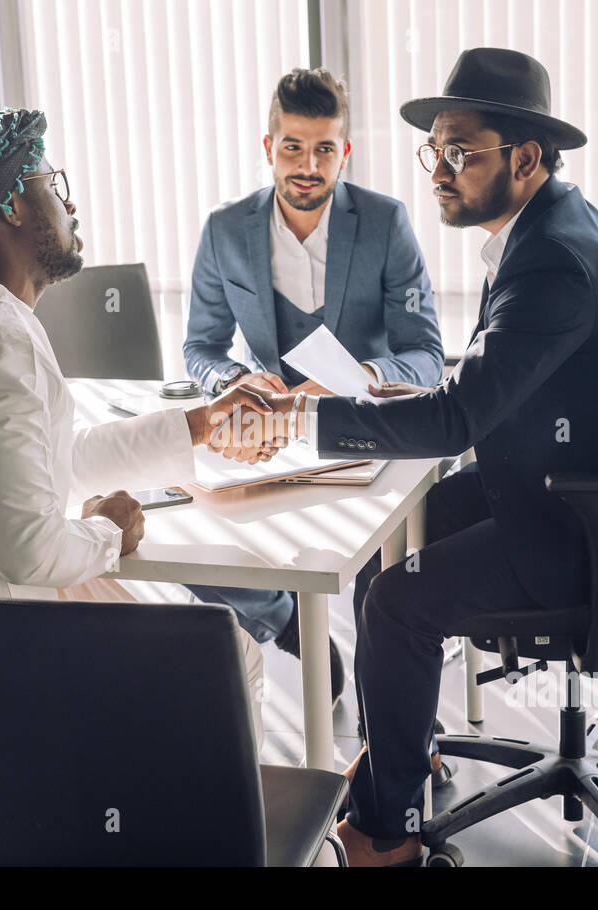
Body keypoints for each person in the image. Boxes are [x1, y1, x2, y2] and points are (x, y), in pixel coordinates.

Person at [248, 48, 598, 864]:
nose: (440, 170)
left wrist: (306, 420)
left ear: (525, 159)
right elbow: (498, 378)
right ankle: (406, 755)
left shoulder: (555, 261)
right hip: (565, 480)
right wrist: (385, 401)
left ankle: (386, 835)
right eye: (436, 150)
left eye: (462, 152)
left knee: (398, 602)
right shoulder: (547, 225)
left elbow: (458, 419)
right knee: (381, 550)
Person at [0, 107, 274, 751]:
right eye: (53, 185)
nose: (69, 208)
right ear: (14, 205)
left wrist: (196, 425)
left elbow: (46, 465)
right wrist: (108, 529)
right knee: (228, 656)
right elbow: (28, 550)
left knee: (202, 633)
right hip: (8, 660)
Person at [182, 68, 445, 705]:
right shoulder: (225, 231)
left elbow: (427, 355)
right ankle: (286, 619)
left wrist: (366, 383)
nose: (308, 165)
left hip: (367, 435)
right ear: (268, 147)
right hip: (270, 432)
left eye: (324, 148)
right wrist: (236, 379)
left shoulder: (385, 223)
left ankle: (397, 728)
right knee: (190, 537)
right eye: (293, 147)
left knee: (376, 582)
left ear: (344, 152)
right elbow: (200, 348)